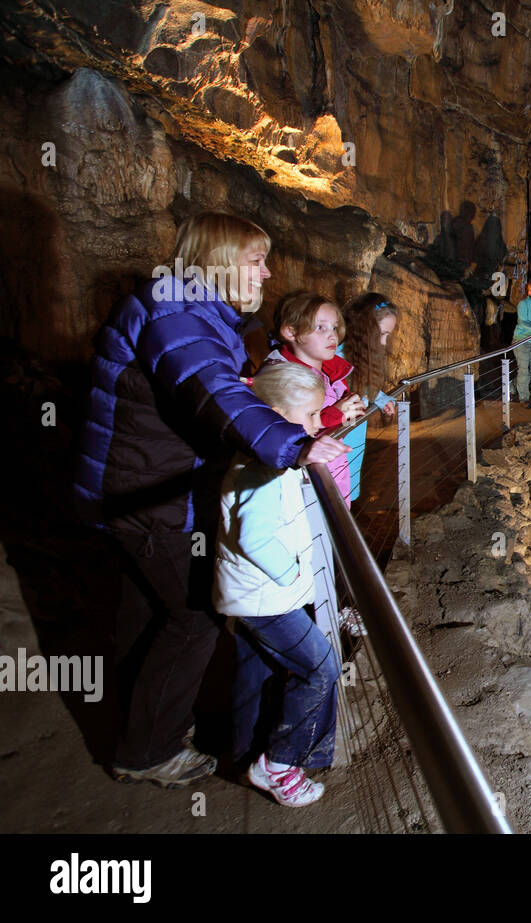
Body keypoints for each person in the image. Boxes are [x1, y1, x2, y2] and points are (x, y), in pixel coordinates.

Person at [74, 212, 348, 788]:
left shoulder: (188, 311)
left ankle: (138, 727)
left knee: (144, 611)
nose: (267, 272)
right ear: (219, 261)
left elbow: (213, 385)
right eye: (255, 260)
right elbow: (214, 391)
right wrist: (293, 443)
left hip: (137, 489)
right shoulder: (175, 308)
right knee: (197, 614)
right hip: (150, 494)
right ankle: (148, 750)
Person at [215, 362, 341, 807]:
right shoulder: (262, 468)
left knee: (258, 672)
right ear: (270, 412)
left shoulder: (268, 456)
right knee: (321, 668)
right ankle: (280, 763)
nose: (314, 425)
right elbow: (255, 537)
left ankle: (249, 751)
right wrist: (294, 577)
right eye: (308, 416)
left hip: (255, 594)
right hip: (266, 598)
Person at [264, 293, 365, 507]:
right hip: (304, 484)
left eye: (335, 327)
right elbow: (284, 435)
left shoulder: (331, 371)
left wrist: (349, 413)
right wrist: (337, 414)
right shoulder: (283, 376)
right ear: (291, 331)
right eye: (321, 327)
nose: (333, 336)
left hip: (334, 469)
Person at [339, 293, 399, 504]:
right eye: (381, 334)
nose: (383, 342)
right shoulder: (336, 359)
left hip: (353, 443)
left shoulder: (355, 355)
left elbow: (361, 386)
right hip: (338, 450)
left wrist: (380, 398)